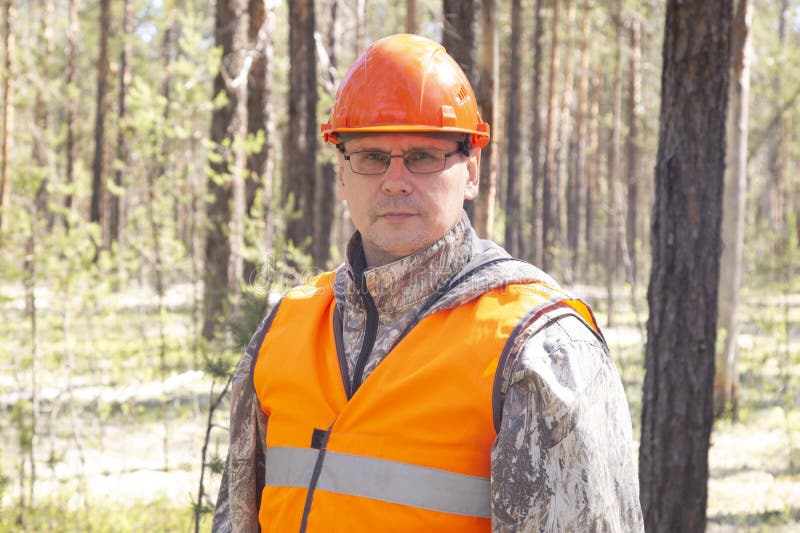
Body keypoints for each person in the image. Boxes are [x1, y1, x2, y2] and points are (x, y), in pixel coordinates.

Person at [212, 34, 643, 532]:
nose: (395, 180)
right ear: (341, 173)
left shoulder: (539, 348)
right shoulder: (286, 327)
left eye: (422, 155)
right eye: (372, 156)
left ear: (472, 170)